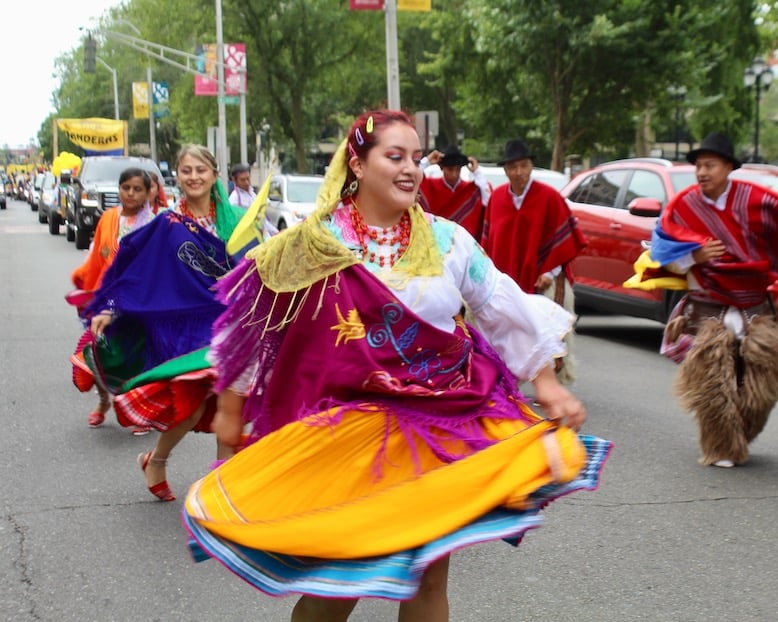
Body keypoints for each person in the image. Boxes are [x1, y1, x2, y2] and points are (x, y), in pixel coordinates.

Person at [181, 110, 612, 621]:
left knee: (429, 577)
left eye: (415, 158)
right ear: (357, 165)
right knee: (336, 587)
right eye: (395, 156)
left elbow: (500, 303)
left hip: (439, 426)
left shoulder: (448, 241)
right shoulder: (314, 243)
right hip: (348, 436)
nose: (411, 169)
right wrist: (231, 413)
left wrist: (546, 382)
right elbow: (257, 325)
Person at [627, 132, 778, 467]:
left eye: (710, 165)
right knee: (712, 384)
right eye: (698, 166)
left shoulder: (756, 199)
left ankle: (741, 432)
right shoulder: (684, 205)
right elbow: (663, 253)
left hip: (754, 305)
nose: (702, 172)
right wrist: (695, 256)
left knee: (763, 380)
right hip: (708, 306)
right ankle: (720, 445)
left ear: (729, 167)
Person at [82, 145, 247, 501]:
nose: (194, 177)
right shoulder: (166, 224)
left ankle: (220, 488)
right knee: (192, 407)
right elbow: (134, 272)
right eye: (186, 170)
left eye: (201, 170)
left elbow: (261, 264)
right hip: (183, 327)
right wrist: (110, 307)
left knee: (229, 401)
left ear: (214, 174)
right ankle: (156, 460)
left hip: (230, 322)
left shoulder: (238, 219)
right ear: (177, 175)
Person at [480, 138, 586, 384]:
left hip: (547, 274)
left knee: (551, 326)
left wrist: (550, 269)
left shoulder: (549, 197)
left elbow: (566, 238)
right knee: (507, 329)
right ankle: (507, 379)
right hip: (509, 278)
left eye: (524, 166)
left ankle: (556, 380)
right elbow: (489, 243)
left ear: (531, 167)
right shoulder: (496, 200)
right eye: (513, 167)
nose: (519, 173)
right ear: (505, 170)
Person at [69, 168, 156, 435]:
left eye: (137, 189)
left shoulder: (151, 224)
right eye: (125, 188)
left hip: (136, 301)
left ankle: (140, 411)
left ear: (146, 192)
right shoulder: (108, 217)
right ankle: (104, 401)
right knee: (96, 351)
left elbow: (148, 267)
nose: (130, 194)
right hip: (103, 296)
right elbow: (96, 252)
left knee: (134, 356)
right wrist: (85, 279)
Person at [418, 144, 490, 240]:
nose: (454, 174)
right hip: (434, 243)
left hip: (463, 245)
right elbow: (412, 177)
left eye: (458, 170)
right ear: (441, 167)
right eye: (450, 170)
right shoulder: (430, 186)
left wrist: (477, 172)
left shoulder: (470, 190)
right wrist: (426, 161)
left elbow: (488, 200)